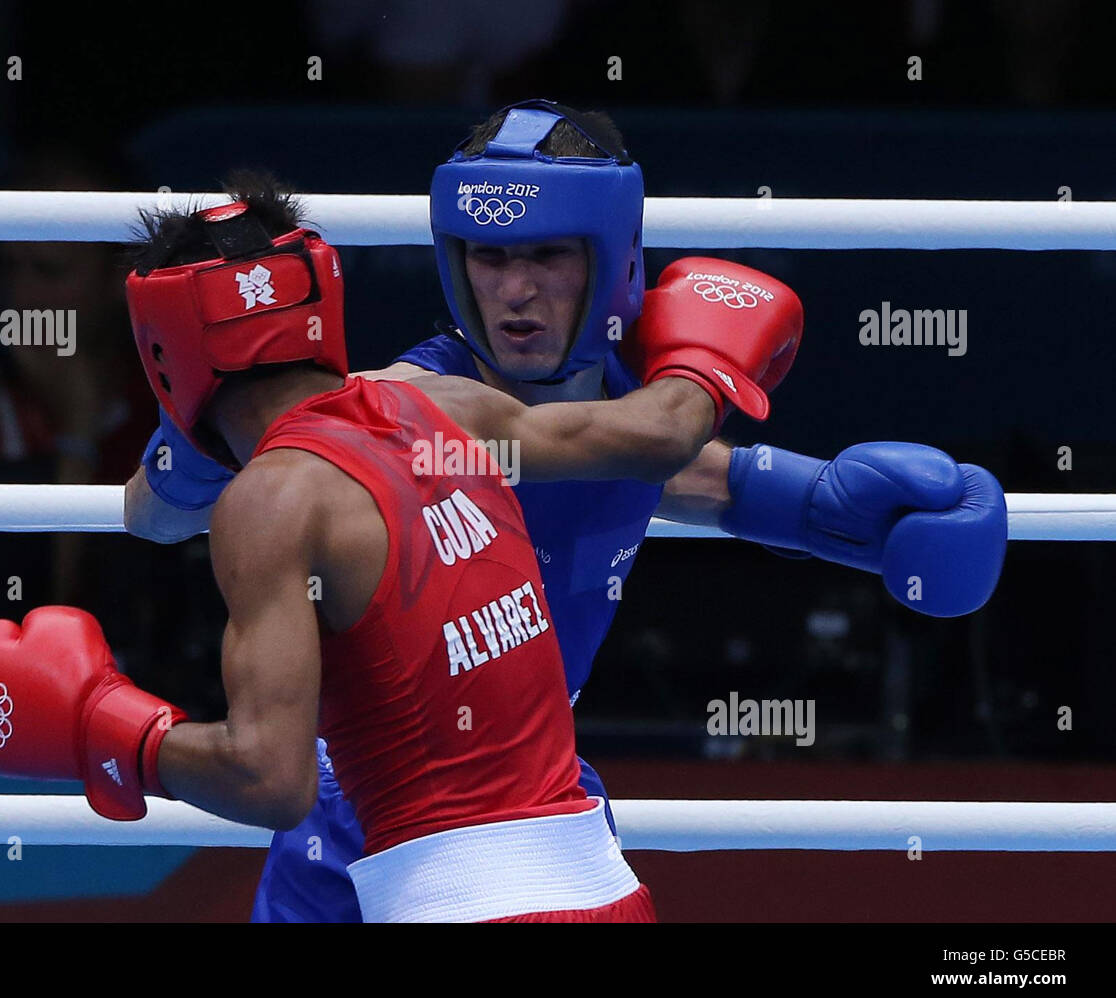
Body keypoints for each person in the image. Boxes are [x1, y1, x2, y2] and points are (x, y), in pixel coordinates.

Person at [124, 101, 1008, 922]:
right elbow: (161, 514)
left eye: (547, 254)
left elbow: (685, 470)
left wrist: (856, 522)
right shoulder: (410, 404)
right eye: (491, 256)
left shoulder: (602, 414)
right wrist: (201, 423)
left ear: (611, 253)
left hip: (531, 799)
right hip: (356, 804)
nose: (515, 290)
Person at [0, 172, 802, 922]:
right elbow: (657, 436)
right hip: (606, 892)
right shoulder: (448, 408)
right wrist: (700, 365)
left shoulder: (272, 499)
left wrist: (110, 730)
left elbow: (271, 780)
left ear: (165, 352)